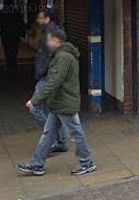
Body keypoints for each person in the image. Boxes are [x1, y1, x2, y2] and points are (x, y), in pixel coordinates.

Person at [18, 29, 97, 177]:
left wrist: (35, 100)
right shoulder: (61, 55)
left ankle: (87, 162)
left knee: (76, 133)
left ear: (56, 40)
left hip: (65, 103)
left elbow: (53, 82)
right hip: (59, 103)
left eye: (49, 40)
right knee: (48, 134)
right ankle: (37, 164)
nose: (47, 43)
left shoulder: (63, 58)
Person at [30, 7, 66, 154]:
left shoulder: (50, 35)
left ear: (47, 18)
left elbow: (48, 57)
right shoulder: (50, 31)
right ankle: (60, 141)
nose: (38, 20)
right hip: (50, 75)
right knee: (55, 109)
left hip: (47, 76)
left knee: (34, 107)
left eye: (40, 17)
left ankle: (52, 139)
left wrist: (40, 72)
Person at [0, 0, 25, 75]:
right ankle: (13, 65)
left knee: (7, 50)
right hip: (14, 34)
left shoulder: (1, 12)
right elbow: (20, 22)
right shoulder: (15, 12)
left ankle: (9, 66)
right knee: (14, 50)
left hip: (5, 33)